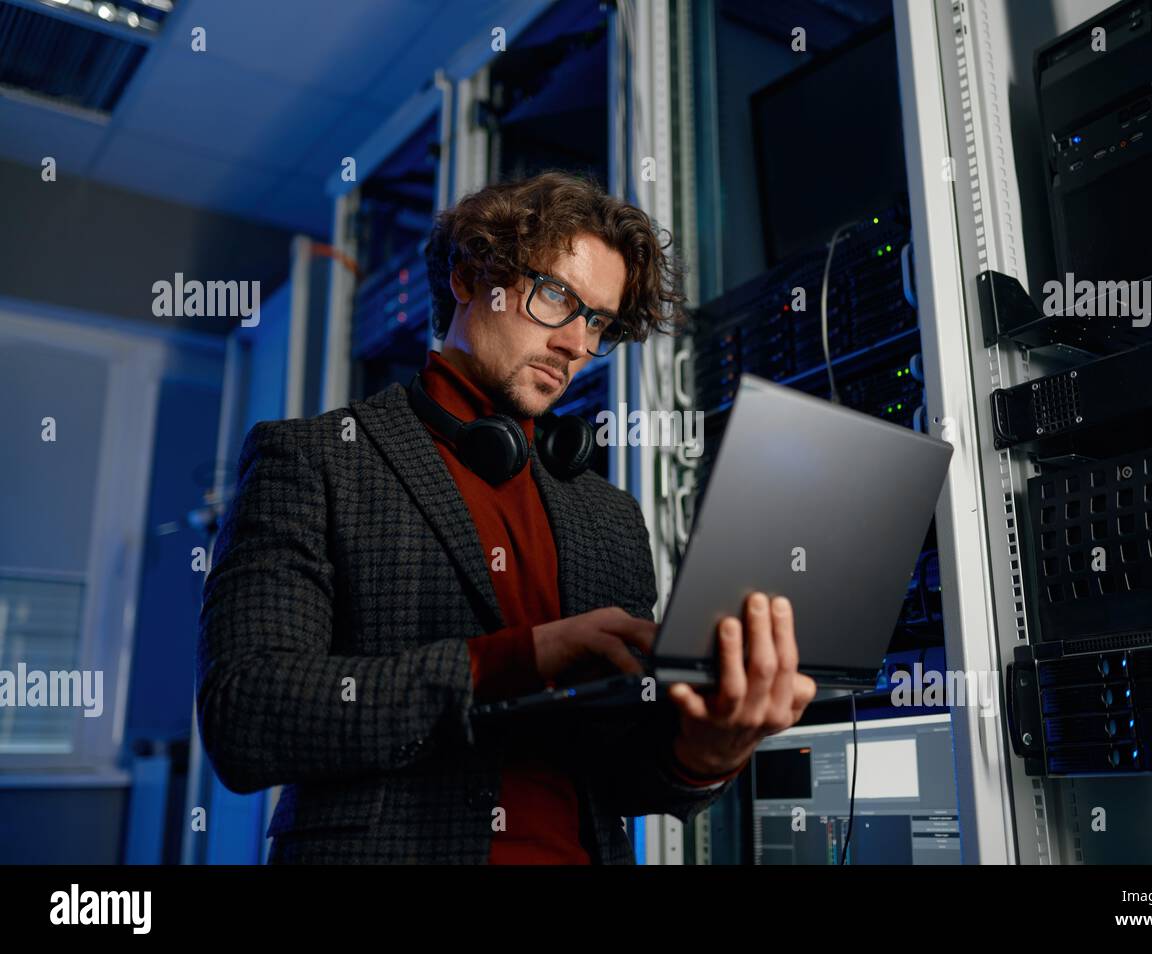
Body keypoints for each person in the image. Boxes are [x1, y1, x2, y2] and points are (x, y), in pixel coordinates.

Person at [197, 170, 817, 864]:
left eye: (599, 322)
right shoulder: (314, 460)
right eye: (559, 297)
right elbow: (245, 715)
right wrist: (525, 656)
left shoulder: (609, 517)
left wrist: (708, 751)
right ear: (468, 277)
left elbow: (617, 773)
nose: (578, 344)